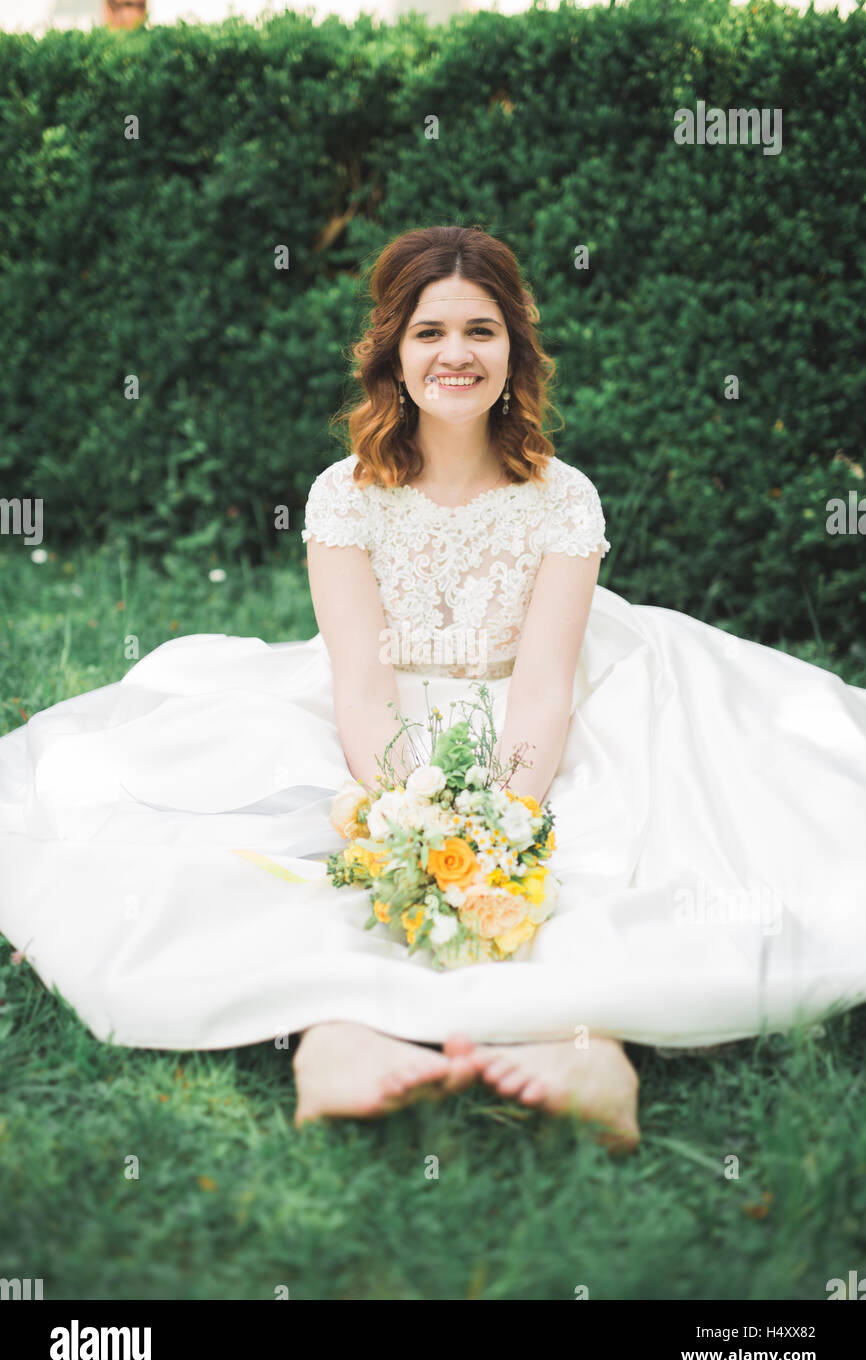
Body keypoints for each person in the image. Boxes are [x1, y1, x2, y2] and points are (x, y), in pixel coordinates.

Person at [1, 225, 865, 1157]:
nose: (457, 353)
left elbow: (544, 689)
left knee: (599, 854)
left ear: (514, 351)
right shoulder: (346, 495)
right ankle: (338, 1042)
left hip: (537, 714)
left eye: (481, 330)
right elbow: (363, 685)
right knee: (305, 864)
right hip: (379, 721)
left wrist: (501, 824)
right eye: (430, 332)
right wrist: (404, 813)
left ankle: (590, 1052)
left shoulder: (563, 497)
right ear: (394, 353)